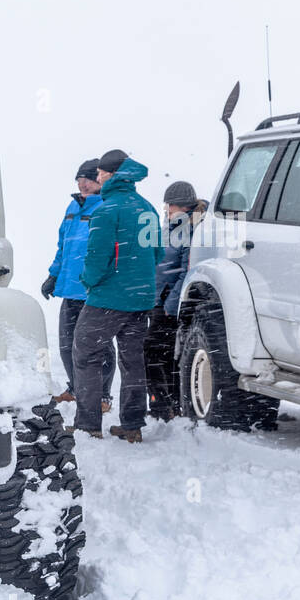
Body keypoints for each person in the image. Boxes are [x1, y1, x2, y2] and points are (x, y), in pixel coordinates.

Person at [70, 148, 164, 443]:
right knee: (132, 360)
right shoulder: (146, 208)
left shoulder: (106, 210)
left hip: (109, 298)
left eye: (99, 172)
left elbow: (97, 258)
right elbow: (157, 253)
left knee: (85, 354)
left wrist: (88, 280)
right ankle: (132, 424)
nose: (96, 176)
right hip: (141, 298)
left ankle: (88, 425)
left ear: (111, 174)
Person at [42, 159, 116, 413]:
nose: (82, 184)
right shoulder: (73, 207)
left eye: (88, 179)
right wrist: (53, 275)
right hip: (70, 289)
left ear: (100, 181)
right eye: (79, 179)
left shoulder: (107, 208)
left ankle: (103, 396)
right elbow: (63, 247)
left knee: (99, 347)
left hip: (95, 291)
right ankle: (76, 388)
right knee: (67, 345)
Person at [145, 181, 206, 421]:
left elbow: (186, 270)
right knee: (163, 354)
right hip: (158, 300)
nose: (166, 209)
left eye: (169, 205)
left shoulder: (192, 229)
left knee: (153, 352)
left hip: (170, 304)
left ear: (182, 205)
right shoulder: (172, 226)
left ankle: (165, 406)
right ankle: (169, 405)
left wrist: (171, 304)